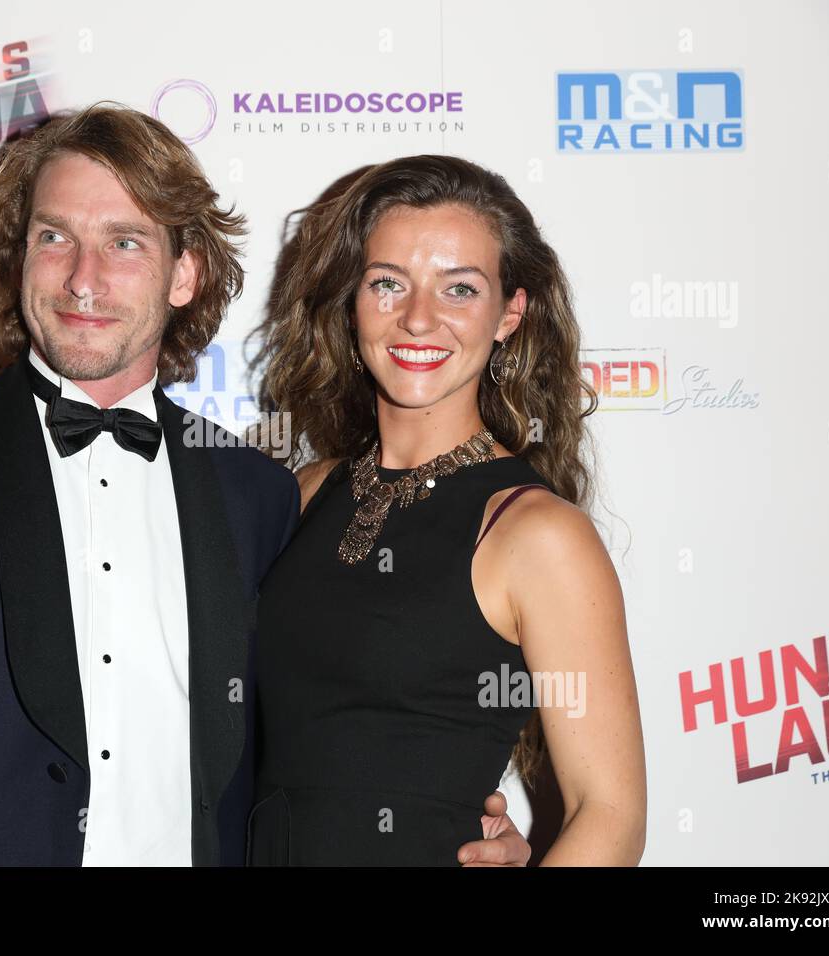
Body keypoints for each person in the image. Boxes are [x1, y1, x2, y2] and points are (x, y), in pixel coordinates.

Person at [0, 103, 529, 866]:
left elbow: (328, 731)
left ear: (184, 274)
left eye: (124, 243)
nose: (84, 279)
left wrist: (463, 825)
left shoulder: (260, 496)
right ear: (17, 258)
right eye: (55, 237)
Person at [247, 154, 647, 865]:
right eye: (387, 284)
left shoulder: (536, 534)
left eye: (459, 289)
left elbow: (607, 815)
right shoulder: (301, 494)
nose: (418, 318)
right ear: (352, 300)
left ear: (509, 314)